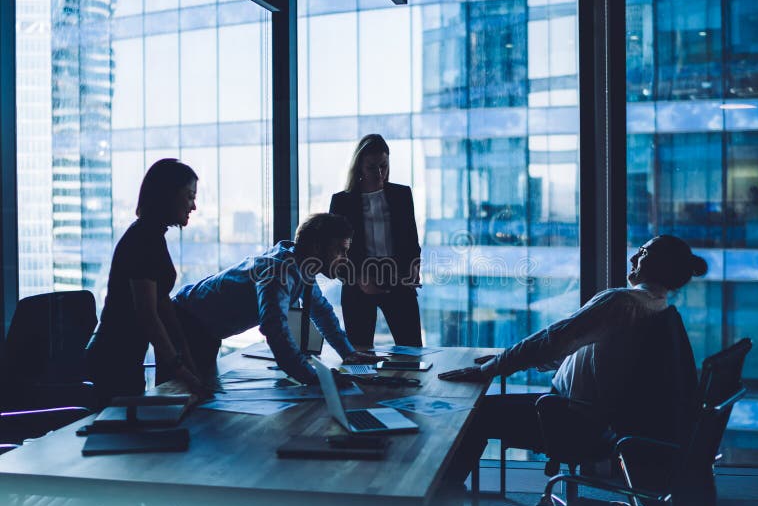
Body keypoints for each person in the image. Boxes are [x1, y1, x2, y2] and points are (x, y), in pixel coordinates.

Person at [437, 234, 708, 488]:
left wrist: (489, 369)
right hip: (589, 417)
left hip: (570, 419)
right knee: (486, 408)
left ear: (659, 263)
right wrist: (501, 361)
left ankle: (440, 501)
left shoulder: (622, 302)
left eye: (643, 252)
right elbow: (578, 349)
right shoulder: (656, 305)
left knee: (473, 416)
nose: (633, 259)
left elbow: (553, 340)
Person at [172, 213, 381, 384]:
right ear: (317, 247)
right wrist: (313, 377)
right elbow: (275, 328)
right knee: (180, 398)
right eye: (340, 251)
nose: (344, 259)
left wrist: (348, 353)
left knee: (200, 394)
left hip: (203, 326)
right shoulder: (278, 273)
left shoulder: (301, 268)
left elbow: (322, 312)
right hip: (185, 322)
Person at [86, 158, 206, 407]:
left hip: (125, 358)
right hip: (113, 362)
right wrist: (181, 370)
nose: (193, 206)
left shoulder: (152, 235)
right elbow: (148, 315)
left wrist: (186, 358)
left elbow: (162, 304)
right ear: (169, 195)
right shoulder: (143, 240)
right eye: (189, 196)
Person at [329, 134, 422, 348]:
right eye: (372, 167)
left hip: (398, 280)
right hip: (358, 283)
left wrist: (414, 268)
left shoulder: (402, 194)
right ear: (359, 167)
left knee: (412, 350)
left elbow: (412, 242)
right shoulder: (342, 201)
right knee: (360, 356)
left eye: (384, 166)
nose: (380, 174)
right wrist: (360, 278)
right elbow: (334, 254)